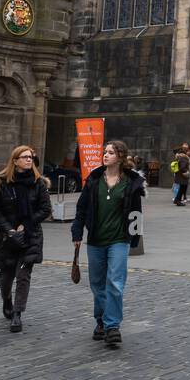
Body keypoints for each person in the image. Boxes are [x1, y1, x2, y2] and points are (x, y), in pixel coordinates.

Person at [72, 139, 145, 348]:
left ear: (120, 157)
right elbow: (81, 208)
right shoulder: (94, 180)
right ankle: (101, 321)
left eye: (111, 152)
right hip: (95, 240)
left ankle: (112, 326)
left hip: (119, 240)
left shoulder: (131, 183)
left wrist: (134, 239)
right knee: (97, 284)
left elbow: (136, 212)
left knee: (115, 282)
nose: (106, 155)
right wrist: (77, 232)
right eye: (105, 152)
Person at [0, 145, 52, 334]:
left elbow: (45, 209)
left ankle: (17, 313)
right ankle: (7, 300)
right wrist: (9, 229)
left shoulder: (38, 183)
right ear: (15, 161)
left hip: (30, 236)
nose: (29, 160)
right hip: (7, 238)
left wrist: (26, 224)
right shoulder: (1, 183)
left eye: (30, 157)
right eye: (24, 157)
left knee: (23, 276)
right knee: (6, 276)